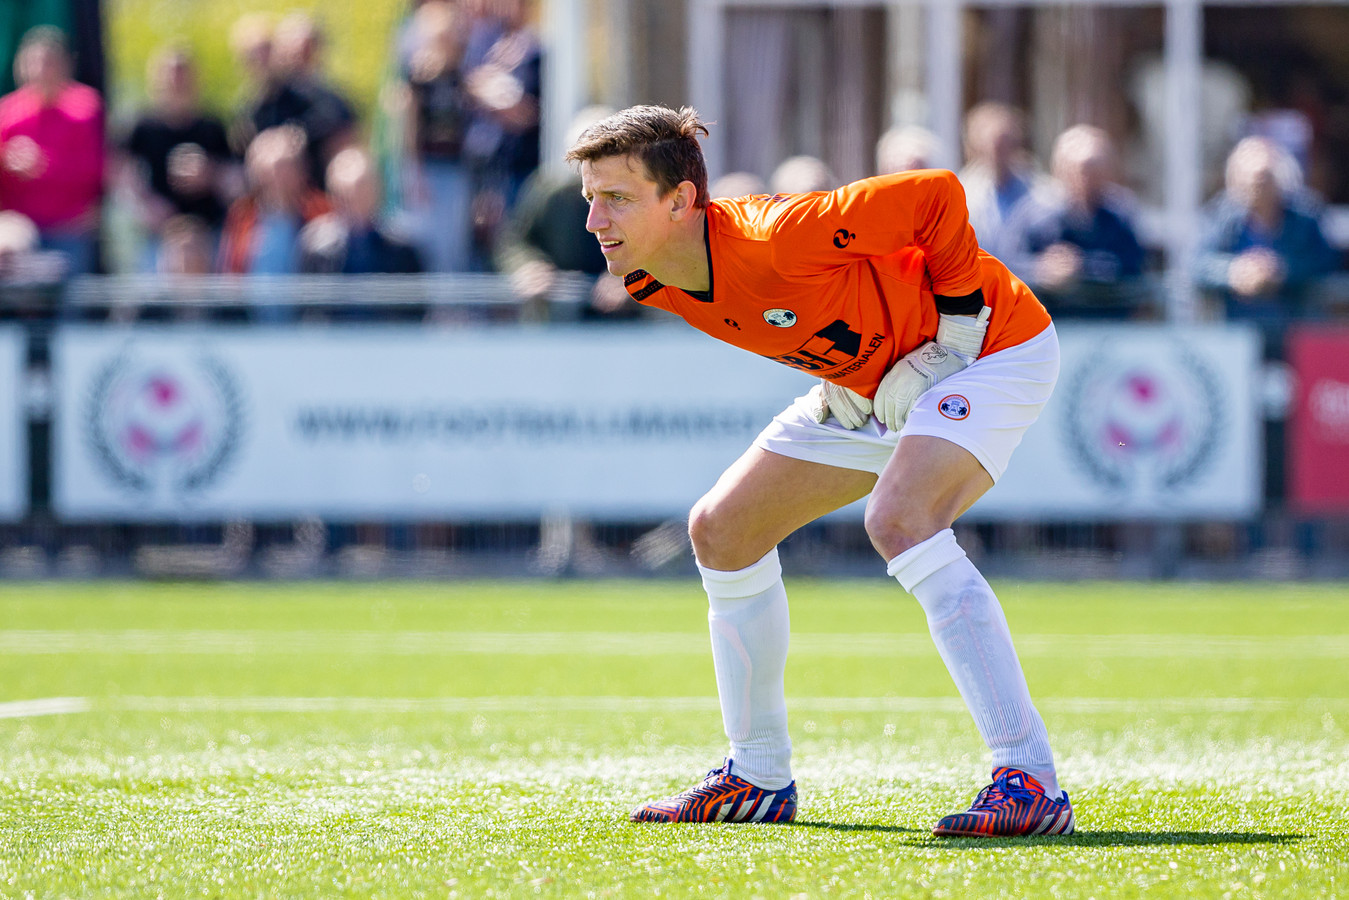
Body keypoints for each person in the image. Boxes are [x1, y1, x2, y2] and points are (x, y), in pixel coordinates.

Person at [566, 105, 1071, 836]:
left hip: (994, 348)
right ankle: (758, 776)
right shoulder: (651, 277)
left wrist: (958, 325)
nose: (594, 220)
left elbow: (935, 195)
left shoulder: (780, 233)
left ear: (680, 200)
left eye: (615, 197)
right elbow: (797, 313)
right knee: (721, 530)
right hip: (879, 380)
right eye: (590, 197)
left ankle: (1029, 780)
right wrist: (856, 365)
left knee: (899, 520)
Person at [1009, 125, 1150, 319]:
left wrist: (1081, 267)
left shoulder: (1121, 215)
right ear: (1060, 170)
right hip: (1053, 323)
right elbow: (1009, 265)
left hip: (1110, 324)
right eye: (1083, 170)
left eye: (1097, 169)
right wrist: (1042, 271)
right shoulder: (1035, 216)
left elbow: (1134, 267)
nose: (1088, 179)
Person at [119, 46, 239, 271]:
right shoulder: (143, 127)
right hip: (159, 237)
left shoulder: (212, 126)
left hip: (209, 235)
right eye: (171, 75)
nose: (177, 82)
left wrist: (209, 174)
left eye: (183, 75)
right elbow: (121, 177)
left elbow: (235, 180)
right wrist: (147, 205)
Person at [0, 26, 104, 277]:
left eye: (48, 63)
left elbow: (94, 170)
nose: (40, 70)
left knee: (69, 306)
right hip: (22, 231)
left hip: (70, 229)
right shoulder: (7, 113)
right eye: (33, 62)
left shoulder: (85, 109)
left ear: (65, 65)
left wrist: (42, 165)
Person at [956, 102, 1043, 267]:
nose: (997, 151)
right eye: (991, 143)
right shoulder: (962, 191)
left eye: (1004, 142)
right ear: (976, 145)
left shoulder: (1039, 193)